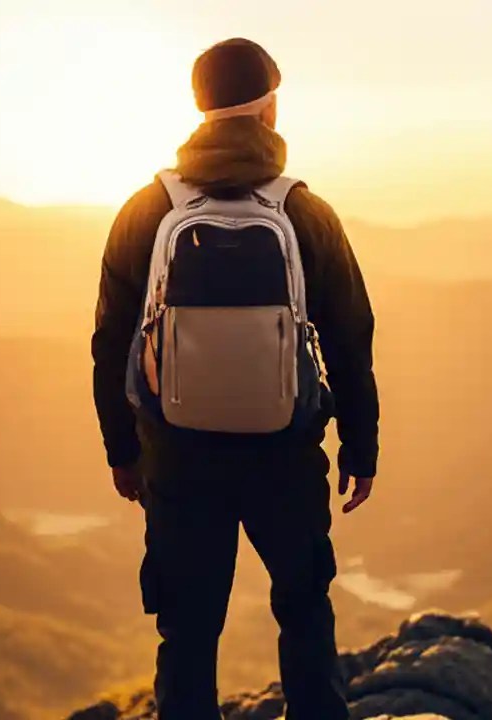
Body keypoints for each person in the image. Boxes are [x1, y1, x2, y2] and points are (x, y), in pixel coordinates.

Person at [91, 37, 379, 720]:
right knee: (304, 608)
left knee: (187, 628)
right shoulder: (304, 213)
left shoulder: (146, 210)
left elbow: (110, 344)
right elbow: (349, 337)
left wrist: (122, 451)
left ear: (201, 110)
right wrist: (360, 450)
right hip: (285, 454)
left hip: (179, 456)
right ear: (269, 109)